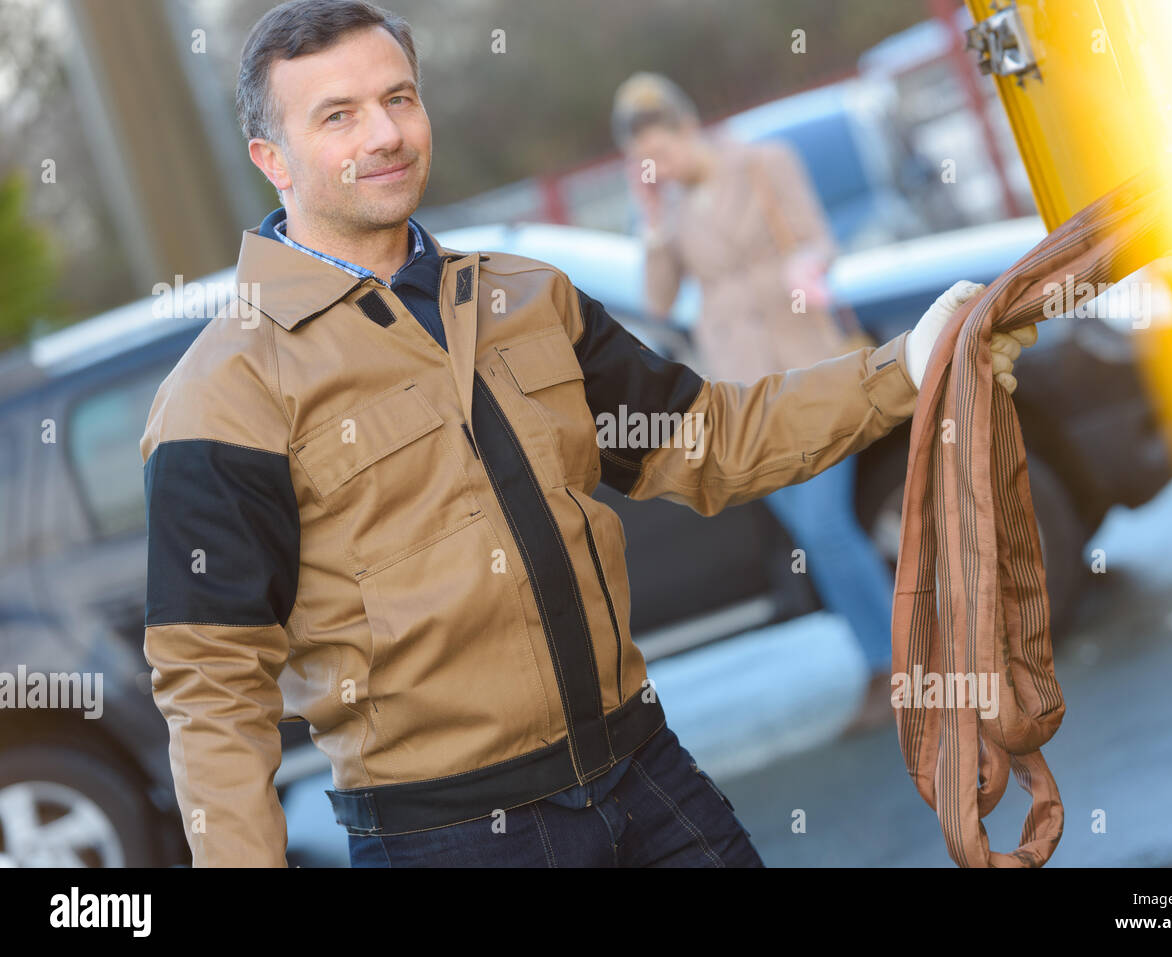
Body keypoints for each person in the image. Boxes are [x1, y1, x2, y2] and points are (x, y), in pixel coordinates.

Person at [139, 0, 1032, 868]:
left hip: (643, 773)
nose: (385, 134)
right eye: (338, 115)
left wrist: (911, 365)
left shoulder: (529, 300)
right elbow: (213, 687)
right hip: (445, 837)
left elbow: (710, 437)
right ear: (271, 158)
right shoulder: (222, 394)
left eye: (399, 98)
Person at [613, 73, 1033, 735]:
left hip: (808, 369)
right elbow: (658, 301)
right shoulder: (674, 211)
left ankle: (904, 665)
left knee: (827, 527)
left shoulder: (763, 163)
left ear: (686, 127)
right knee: (813, 536)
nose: (658, 167)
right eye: (645, 161)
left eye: (660, 151)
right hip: (741, 398)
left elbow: (817, 238)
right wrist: (654, 220)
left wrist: (804, 267)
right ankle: (889, 667)